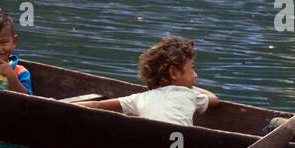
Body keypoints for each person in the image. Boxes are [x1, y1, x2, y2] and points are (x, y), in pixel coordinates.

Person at [79, 36, 217, 127]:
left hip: (152, 139)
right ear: (174, 73)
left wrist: (58, 104)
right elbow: (214, 99)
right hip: (180, 143)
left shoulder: (140, 98)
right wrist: (192, 87)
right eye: (192, 69)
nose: (196, 75)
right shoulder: (190, 95)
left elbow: (96, 105)